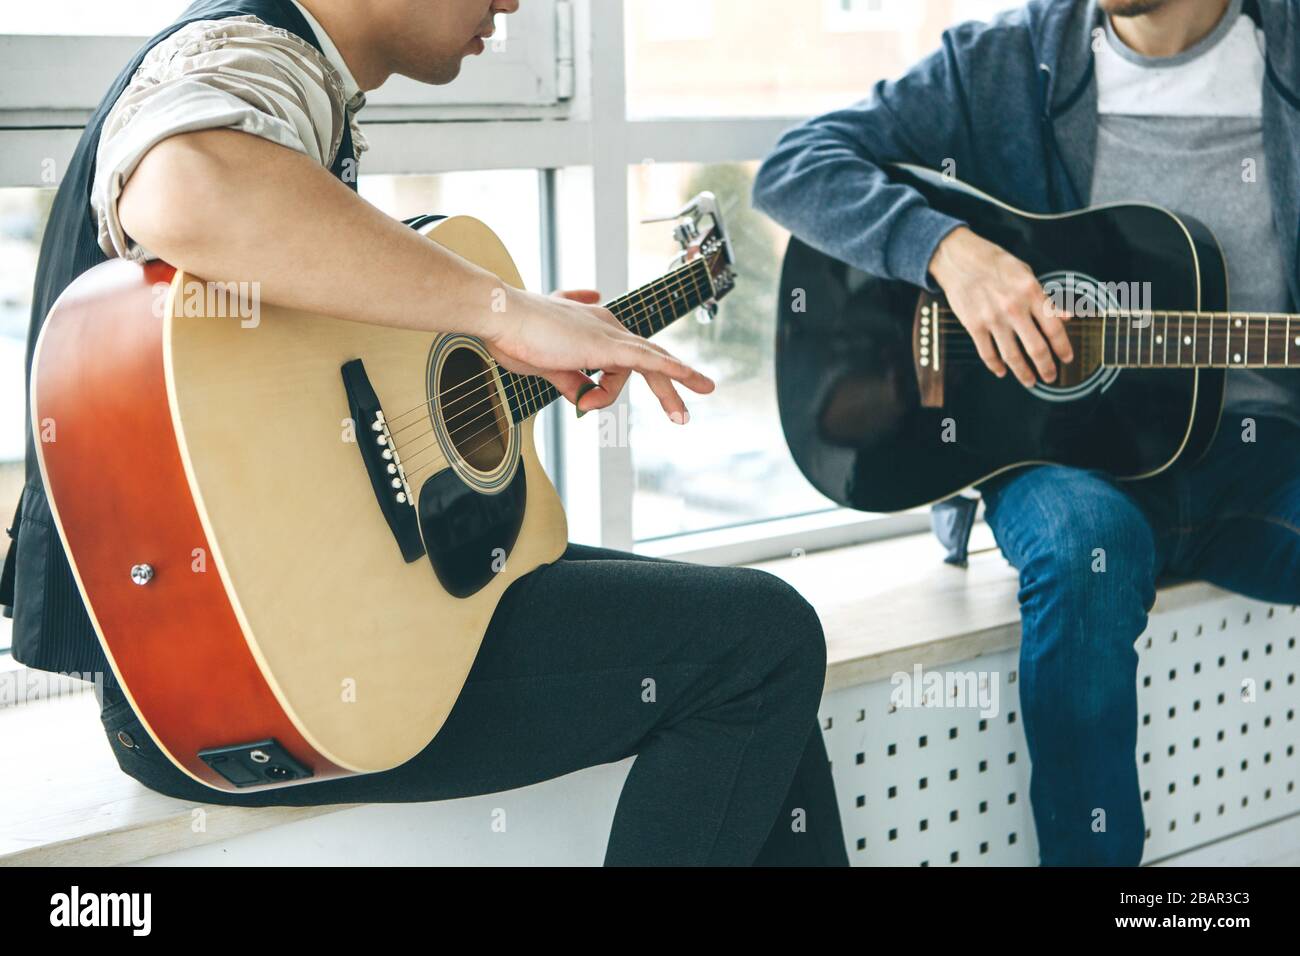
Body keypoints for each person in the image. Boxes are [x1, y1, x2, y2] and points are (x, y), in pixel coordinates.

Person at [0, 0, 848, 867]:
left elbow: (303, 367)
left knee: (768, 660)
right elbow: (188, 188)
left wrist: (515, 331)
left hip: (263, 643)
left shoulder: (300, 75)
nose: (512, 4)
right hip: (224, 688)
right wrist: (505, 309)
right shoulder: (252, 50)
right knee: (762, 643)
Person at [753, 0, 1300, 865]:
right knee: (1088, 549)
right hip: (1063, 457)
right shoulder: (1006, 60)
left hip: (1261, 458)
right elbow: (793, 167)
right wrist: (947, 250)